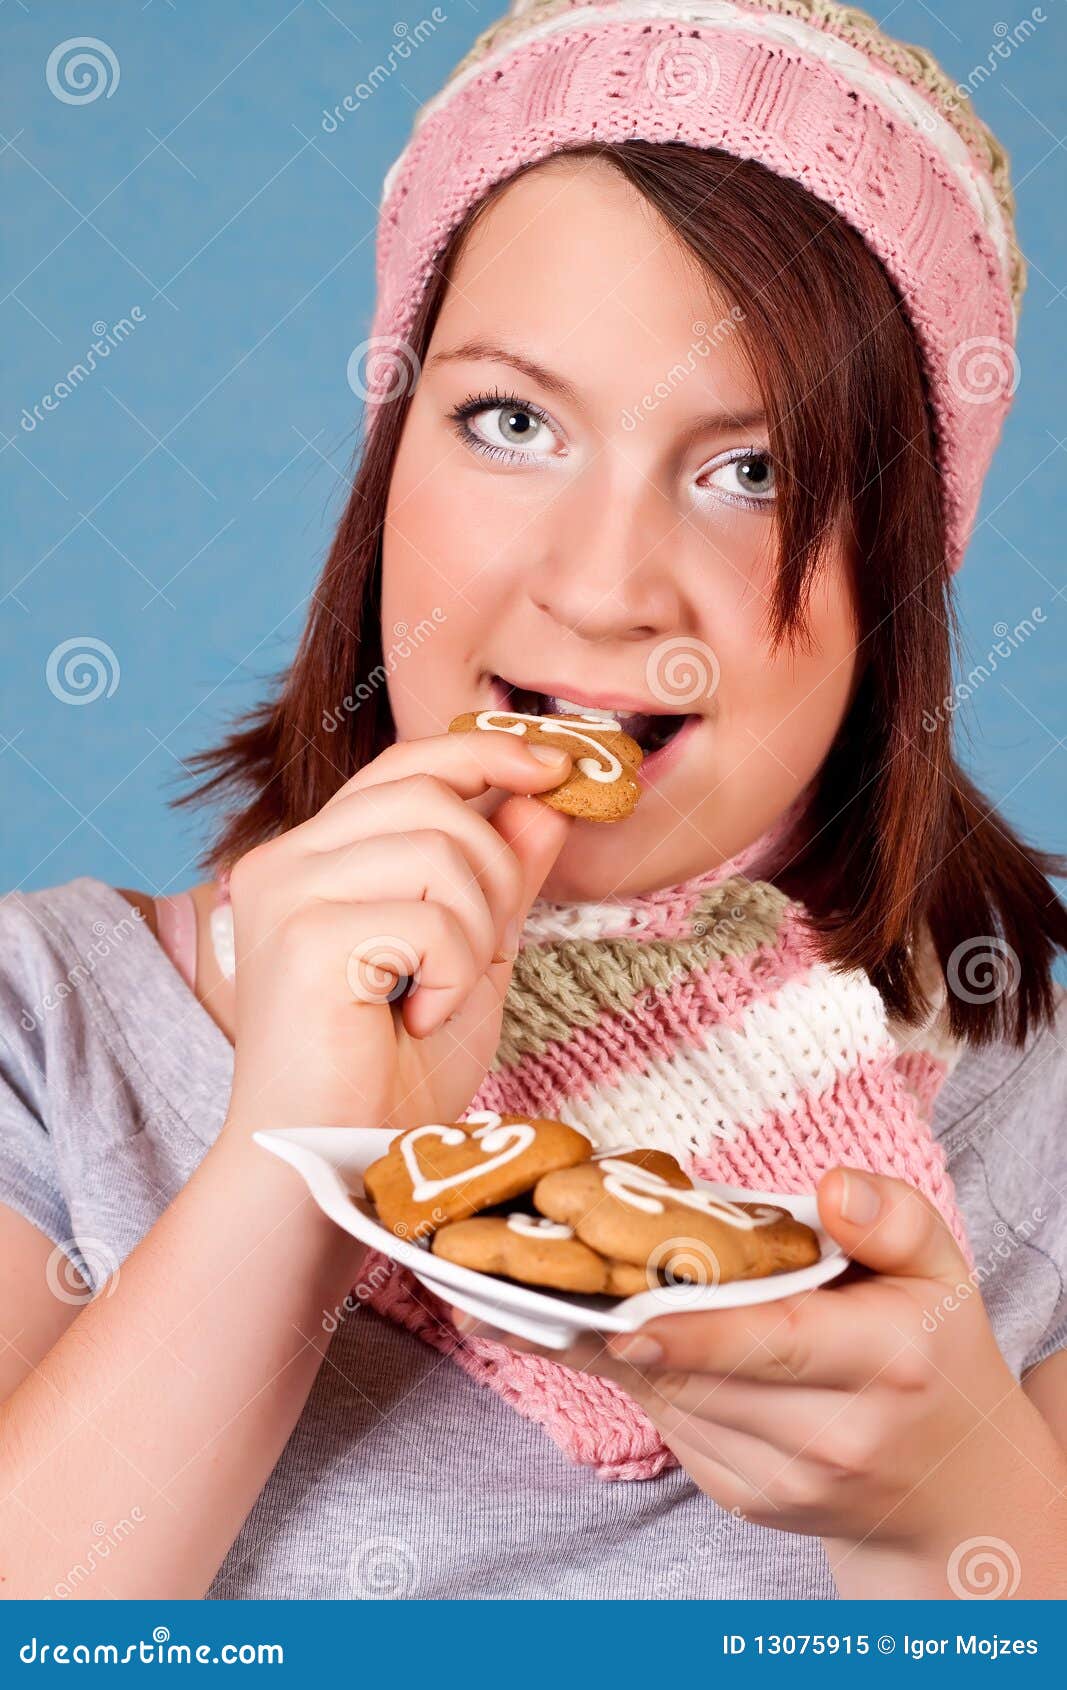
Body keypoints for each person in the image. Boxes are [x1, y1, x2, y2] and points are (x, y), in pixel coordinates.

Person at [2, 0, 1064, 1601]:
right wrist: (297, 1154)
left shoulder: (1037, 1127)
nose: (603, 583)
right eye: (511, 422)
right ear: (387, 465)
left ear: (898, 578)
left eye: (751, 470)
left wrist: (958, 1503)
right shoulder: (52, 1032)